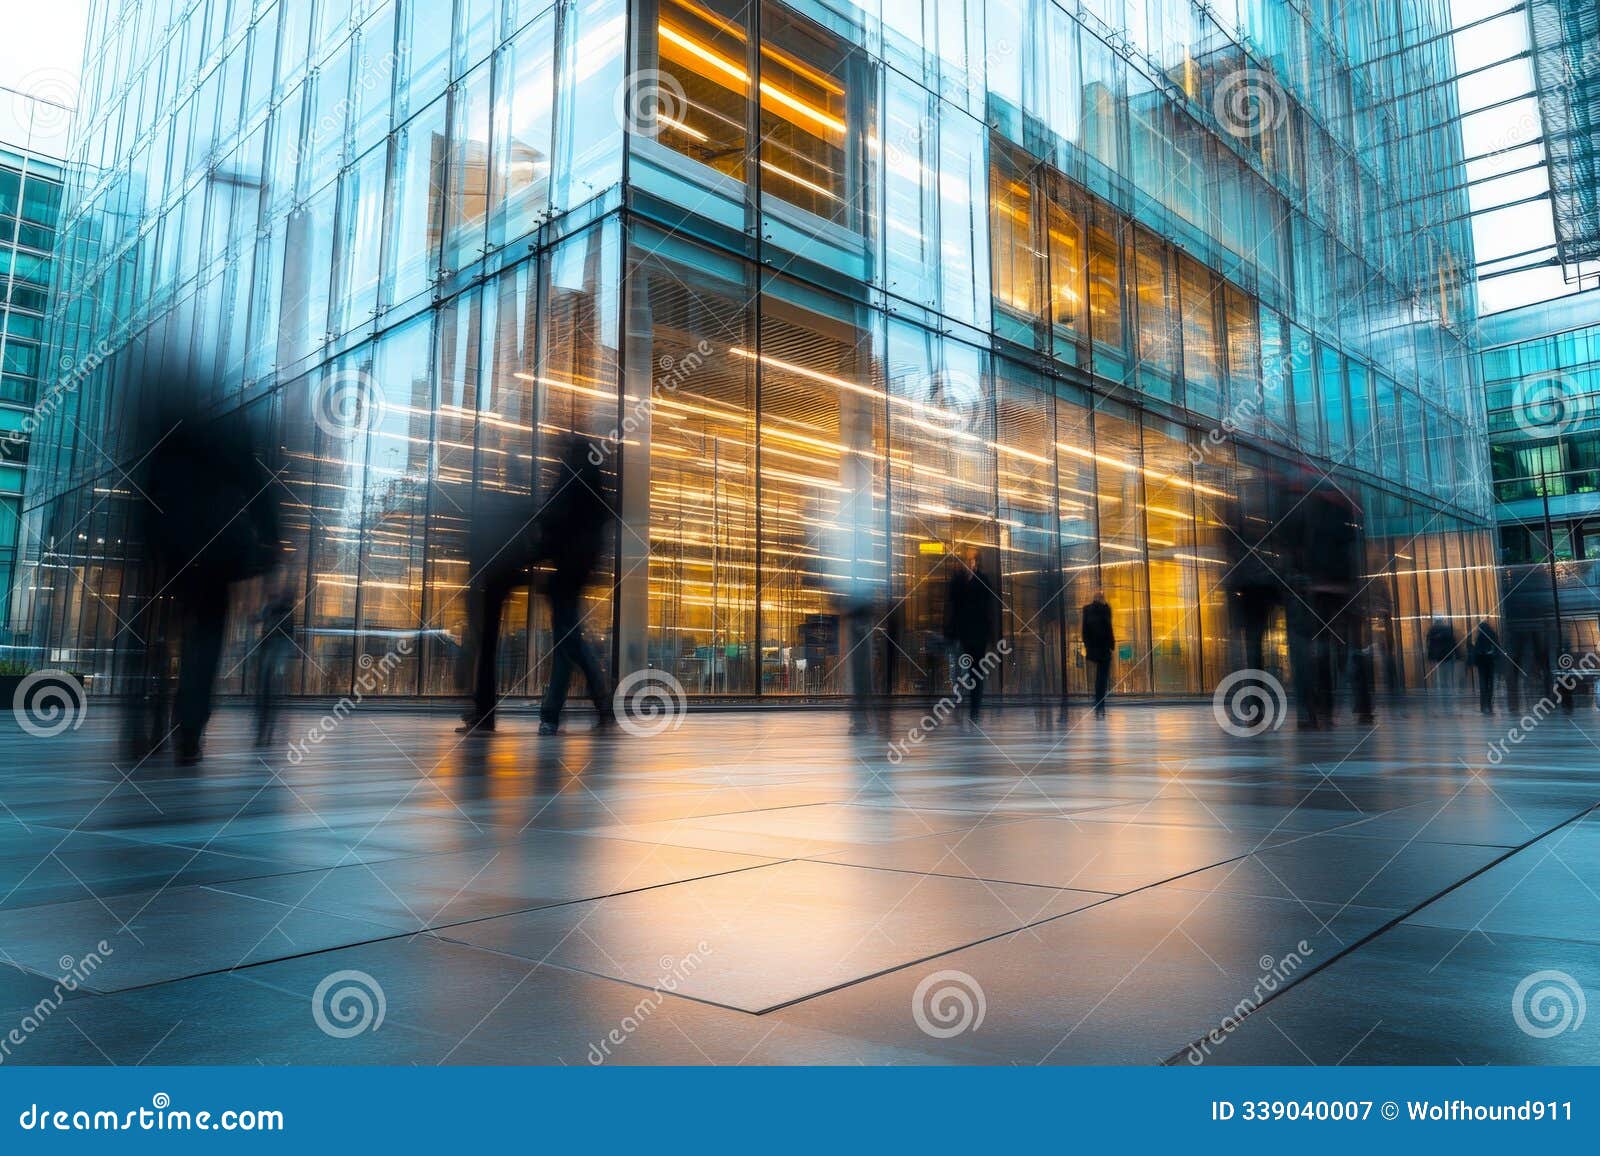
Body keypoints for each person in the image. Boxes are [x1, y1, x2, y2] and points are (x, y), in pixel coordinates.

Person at [137, 389, 282, 764]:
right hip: (218, 555)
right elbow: (259, 489)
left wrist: (147, 541)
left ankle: (150, 712)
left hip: (174, 550)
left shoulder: (173, 428)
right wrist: (271, 545)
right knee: (204, 638)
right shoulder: (233, 434)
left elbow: (150, 489)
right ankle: (189, 727)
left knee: (161, 630)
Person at [536, 437, 617, 735]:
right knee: (566, 642)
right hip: (577, 572)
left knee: (568, 642)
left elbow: (550, 521)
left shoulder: (570, 481)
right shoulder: (593, 485)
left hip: (565, 574)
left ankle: (561, 712)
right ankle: (559, 712)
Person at [943, 546, 1000, 725]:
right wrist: (949, 631)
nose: (969, 563)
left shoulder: (983, 581)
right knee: (959, 670)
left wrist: (992, 634)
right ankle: (960, 702)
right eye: (966, 560)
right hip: (961, 633)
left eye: (972, 560)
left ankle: (974, 709)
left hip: (977, 634)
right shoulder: (957, 581)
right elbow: (950, 607)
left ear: (976, 562)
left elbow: (989, 610)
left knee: (975, 672)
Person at [254, 582, 296, 747]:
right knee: (270, 684)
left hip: (273, 649)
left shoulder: (276, 608)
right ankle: (266, 729)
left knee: (268, 683)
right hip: (273, 649)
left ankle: (264, 730)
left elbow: (261, 620)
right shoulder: (279, 609)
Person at [1081, 590, 1114, 717]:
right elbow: (1108, 628)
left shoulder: (1088, 610)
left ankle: (1098, 702)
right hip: (1103, 648)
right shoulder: (1105, 609)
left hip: (1094, 649)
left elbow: (1085, 630)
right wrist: (1111, 645)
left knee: (1098, 678)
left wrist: (1087, 646)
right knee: (1102, 678)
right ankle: (1100, 703)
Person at [1425, 617, 1459, 712]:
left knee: (1441, 676)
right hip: (1448, 657)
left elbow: (1429, 645)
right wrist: (1457, 654)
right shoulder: (1448, 630)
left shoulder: (1432, 631)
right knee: (1448, 676)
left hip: (1439, 657)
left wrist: (1431, 656)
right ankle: (1448, 692)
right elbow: (1454, 643)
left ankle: (1443, 690)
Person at [1470, 619, 1500, 715]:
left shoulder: (1479, 636)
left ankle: (1483, 704)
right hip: (1490, 662)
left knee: (1483, 683)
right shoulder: (1492, 635)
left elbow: (1476, 650)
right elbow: (1497, 647)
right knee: (1490, 683)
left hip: (1482, 663)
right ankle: (1489, 703)